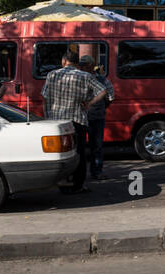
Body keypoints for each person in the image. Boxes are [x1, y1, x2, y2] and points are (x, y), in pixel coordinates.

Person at [41, 50, 107, 194]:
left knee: (60, 154)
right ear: (77, 63)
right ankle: (78, 185)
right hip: (77, 121)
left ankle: (61, 181)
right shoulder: (85, 76)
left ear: (63, 61)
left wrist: (47, 115)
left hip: (56, 122)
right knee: (79, 153)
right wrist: (89, 103)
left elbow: (45, 97)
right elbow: (103, 91)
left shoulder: (52, 75)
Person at [78, 55, 113, 180]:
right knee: (80, 147)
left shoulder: (103, 81)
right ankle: (81, 174)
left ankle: (96, 171)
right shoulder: (78, 78)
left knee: (96, 146)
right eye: (81, 64)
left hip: (96, 117)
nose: (82, 67)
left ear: (91, 66)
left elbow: (109, 98)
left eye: (85, 64)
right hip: (81, 117)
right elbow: (109, 99)